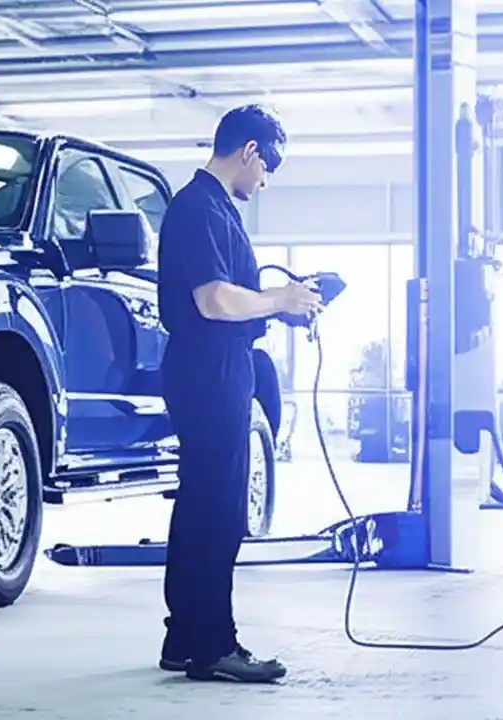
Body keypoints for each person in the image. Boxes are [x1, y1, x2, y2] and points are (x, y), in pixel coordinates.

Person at [155, 105, 322, 683]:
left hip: (216, 365)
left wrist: (286, 304)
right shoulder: (198, 207)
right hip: (209, 369)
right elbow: (215, 300)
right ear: (249, 151)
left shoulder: (213, 208)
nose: (267, 179)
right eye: (268, 165)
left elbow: (230, 298)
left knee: (201, 501)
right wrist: (278, 299)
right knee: (218, 510)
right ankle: (212, 647)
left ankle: (184, 638)